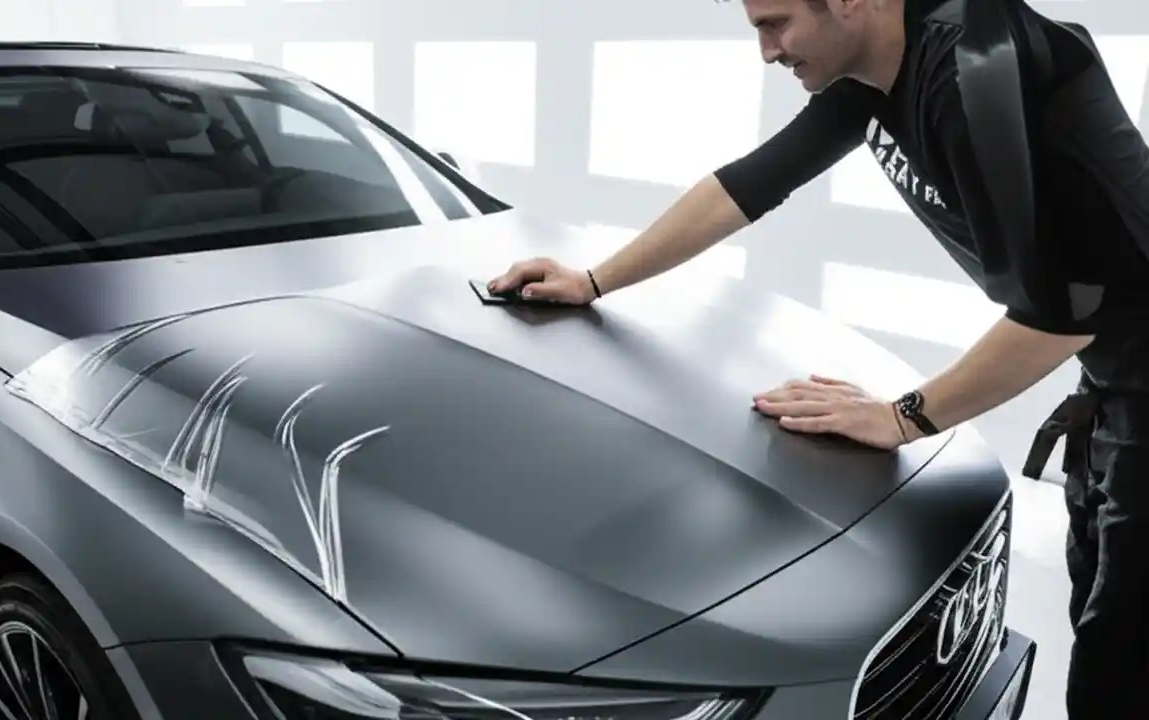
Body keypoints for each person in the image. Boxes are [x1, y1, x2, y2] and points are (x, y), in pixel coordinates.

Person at [487, 0, 1149, 716]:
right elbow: (748, 185)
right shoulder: (873, 76)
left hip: (1130, 371)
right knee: (1101, 619)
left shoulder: (975, 72)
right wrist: (593, 280)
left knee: (1123, 659)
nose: (767, 52)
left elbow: (1065, 314)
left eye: (775, 23)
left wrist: (902, 419)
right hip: (1117, 379)